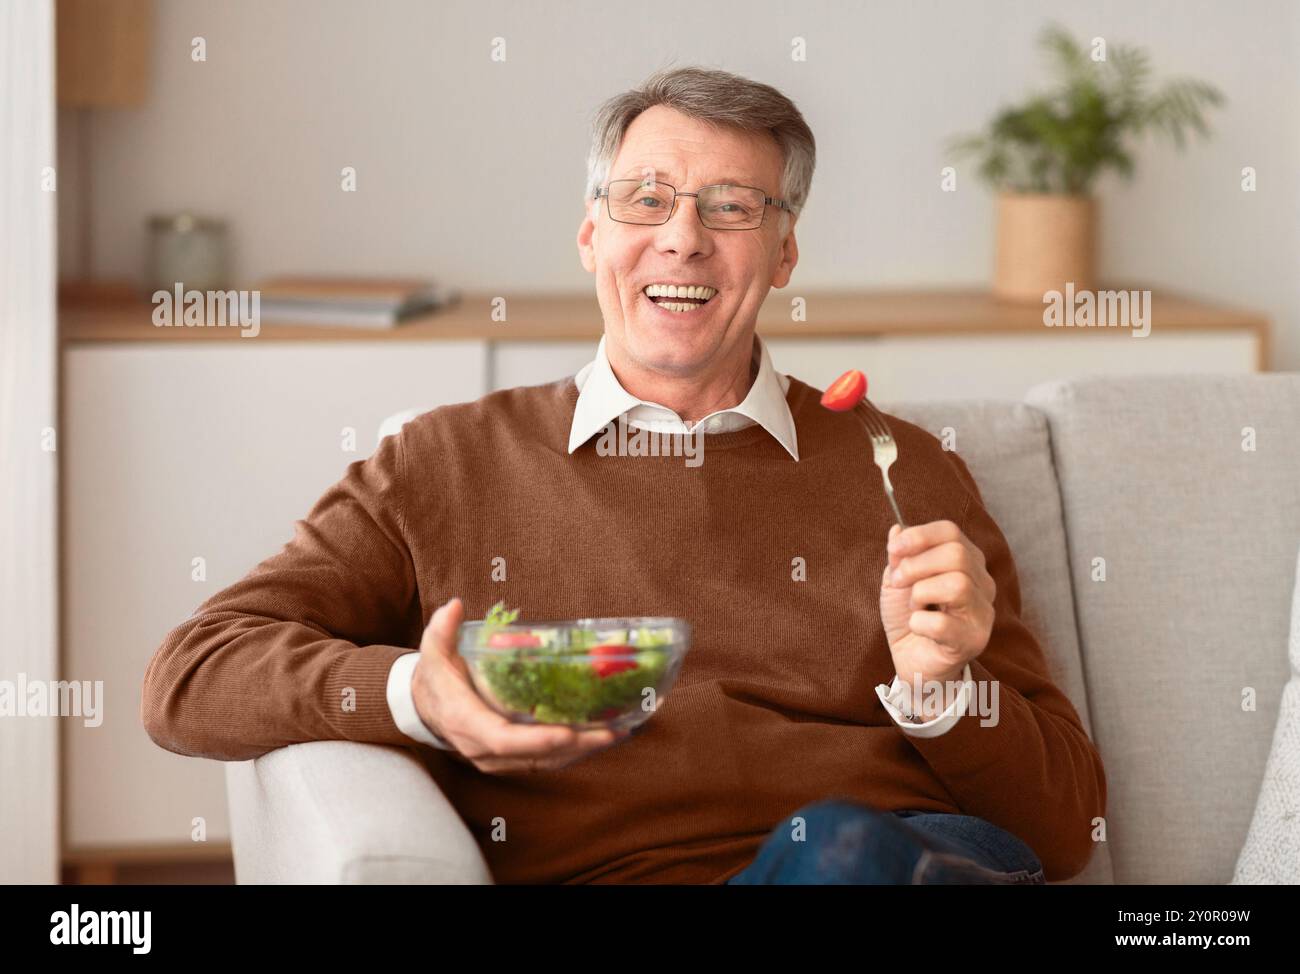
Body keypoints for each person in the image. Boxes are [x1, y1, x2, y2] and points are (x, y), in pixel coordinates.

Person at [142, 66, 1105, 885]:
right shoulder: (444, 464)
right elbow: (190, 675)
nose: (684, 237)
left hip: (904, 860)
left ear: (783, 252)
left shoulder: (907, 470)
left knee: (843, 848)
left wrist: (943, 692)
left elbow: (1066, 830)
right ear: (591, 235)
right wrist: (415, 695)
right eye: (647, 198)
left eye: (732, 208)